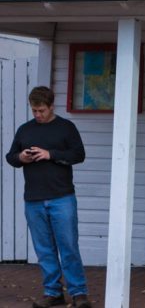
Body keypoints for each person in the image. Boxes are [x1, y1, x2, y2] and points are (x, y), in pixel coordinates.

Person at [5, 86, 92, 308]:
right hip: (33, 198)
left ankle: (79, 293)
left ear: (51, 106)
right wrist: (22, 157)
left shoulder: (66, 127)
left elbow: (78, 155)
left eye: (41, 110)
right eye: (34, 110)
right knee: (43, 249)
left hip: (62, 197)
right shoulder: (25, 130)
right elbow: (10, 157)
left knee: (68, 246)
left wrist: (50, 154)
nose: (37, 115)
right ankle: (52, 292)